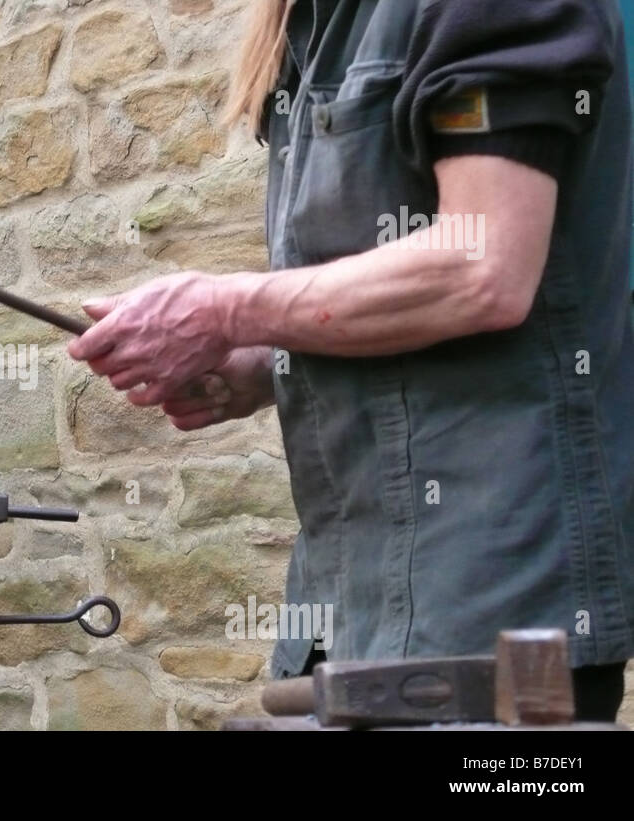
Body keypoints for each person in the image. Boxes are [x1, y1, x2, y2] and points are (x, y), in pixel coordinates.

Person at [68, 0, 633, 721]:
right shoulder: (314, 24)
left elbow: (484, 266)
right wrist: (265, 360)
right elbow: (383, 285)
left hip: (492, 603)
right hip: (342, 597)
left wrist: (224, 310)